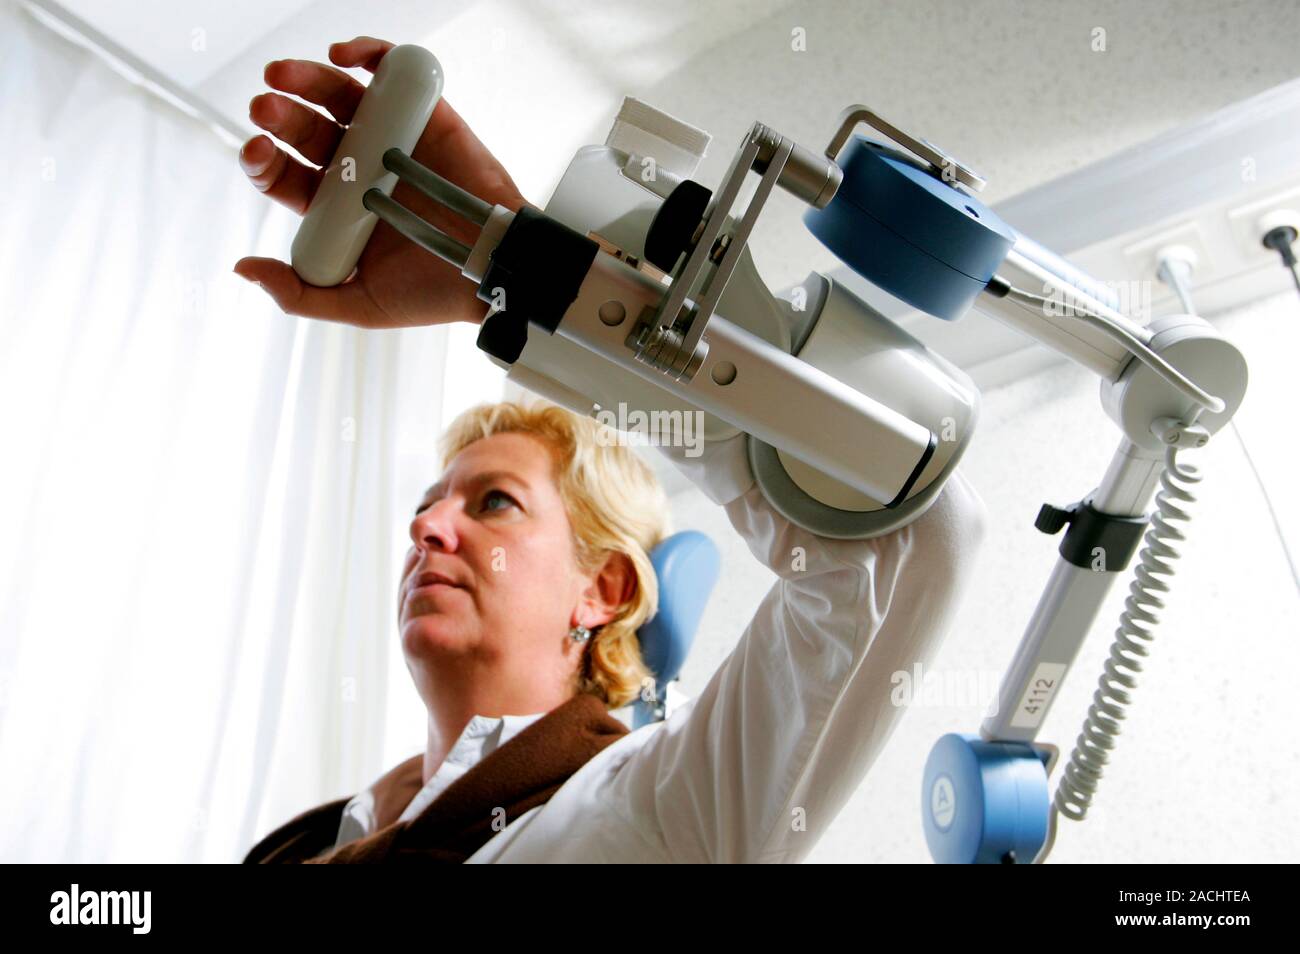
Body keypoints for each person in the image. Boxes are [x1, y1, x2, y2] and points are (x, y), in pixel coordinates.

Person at [236, 37, 989, 863]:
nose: (427, 532)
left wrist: (513, 264)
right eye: (427, 506)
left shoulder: (656, 809)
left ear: (603, 587)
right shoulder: (312, 840)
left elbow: (914, 534)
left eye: (494, 503)